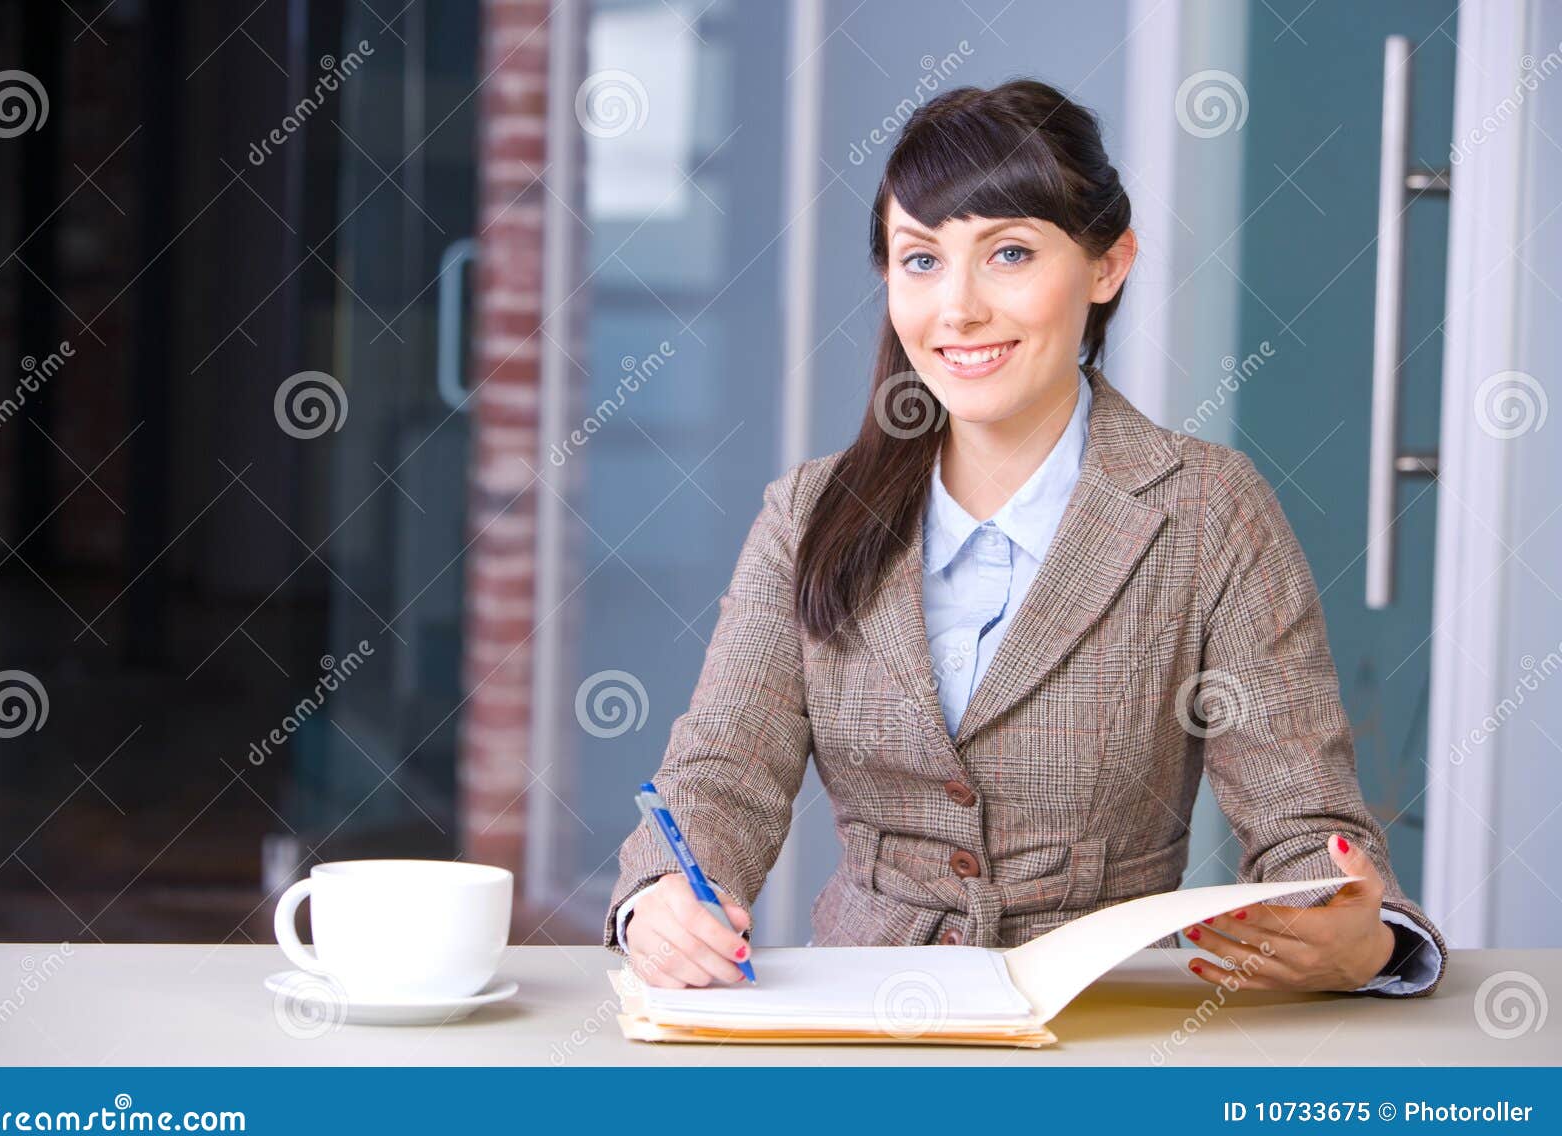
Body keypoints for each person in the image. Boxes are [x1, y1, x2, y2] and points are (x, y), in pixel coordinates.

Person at [602, 77, 1444, 997]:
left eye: (1008, 253)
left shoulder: (1208, 510)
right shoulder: (810, 512)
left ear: (1107, 265)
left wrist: (1354, 933)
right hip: (860, 1019)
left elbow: (1303, 818)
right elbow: (721, 774)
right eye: (921, 260)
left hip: (1107, 1022)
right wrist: (661, 900)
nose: (958, 308)